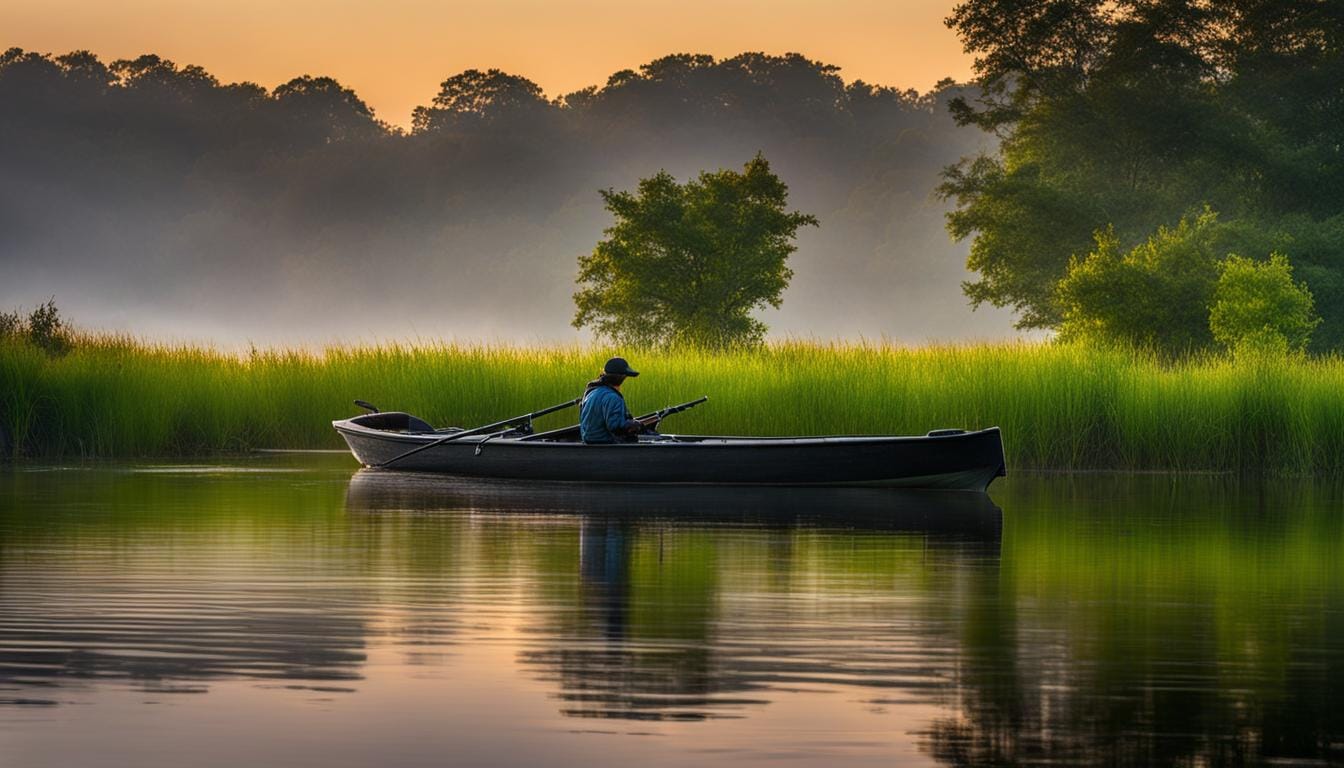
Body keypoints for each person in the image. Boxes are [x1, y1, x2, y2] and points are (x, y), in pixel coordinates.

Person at [580, 357, 652, 444]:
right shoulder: (613, 397)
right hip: (605, 443)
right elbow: (616, 427)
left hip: (589, 441)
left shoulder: (592, 392)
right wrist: (636, 425)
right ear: (623, 377)